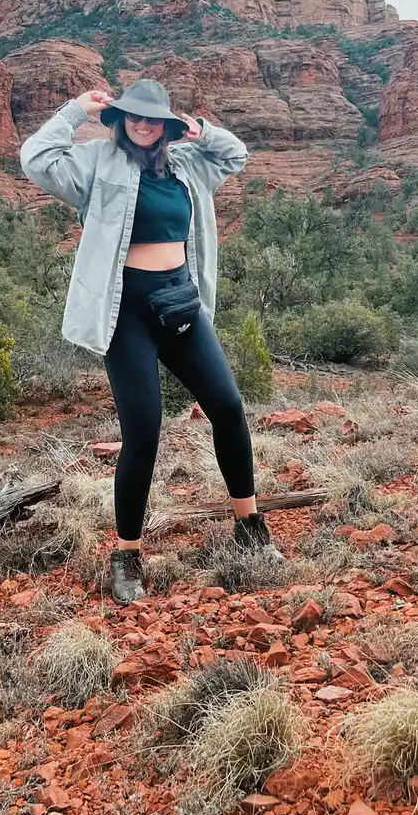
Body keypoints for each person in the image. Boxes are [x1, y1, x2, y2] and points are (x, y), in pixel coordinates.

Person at [20, 77, 281, 604]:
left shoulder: (187, 164)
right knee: (143, 433)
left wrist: (200, 129)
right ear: (120, 120)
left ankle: (250, 526)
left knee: (228, 408)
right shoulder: (98, 162)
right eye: (133, 115)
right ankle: (127, 556)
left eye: (152, 118)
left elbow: (235, 154)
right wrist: (75, 111)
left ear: (166, 125)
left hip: (180, 304)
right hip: (127, 313)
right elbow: (37, 158)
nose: (142, 124)